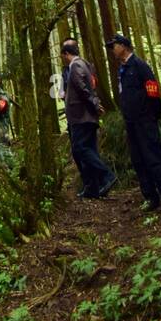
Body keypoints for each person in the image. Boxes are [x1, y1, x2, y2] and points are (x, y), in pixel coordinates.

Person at [105, 33, 161, 213]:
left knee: (154, 159)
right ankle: (151, 198)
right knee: (139, 161)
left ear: (123, 46)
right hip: (131, 123)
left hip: (145, 121)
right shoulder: (121, 69)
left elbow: (152, 91)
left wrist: (152, 114)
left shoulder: (139, 66)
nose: (112, 50)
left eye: (114, 46)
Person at [61, 39, 116, 200]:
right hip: (87, 116)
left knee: (80, 148)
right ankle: (93, 188)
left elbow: (82, 87)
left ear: (67, 53)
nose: (64, 59)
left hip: (81, 116)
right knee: (89, 149)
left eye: (64, 56)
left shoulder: (76, 65)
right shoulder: (85, 64)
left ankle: (107, 175)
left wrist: (94, 104)